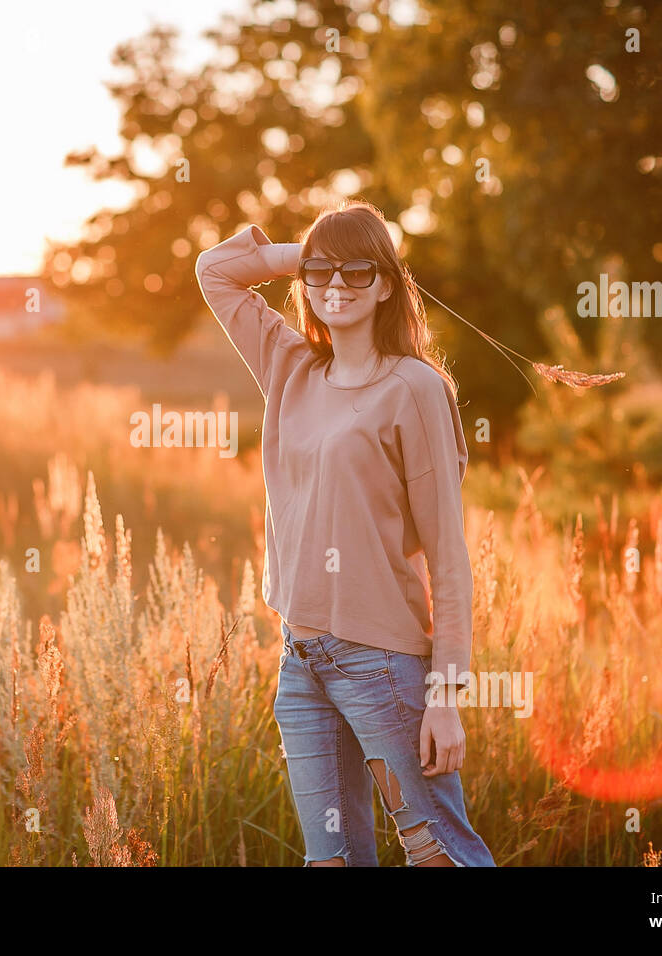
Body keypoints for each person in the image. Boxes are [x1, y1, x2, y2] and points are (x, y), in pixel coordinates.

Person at [194, 199, 496, 867]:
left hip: (381, 664)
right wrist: (304, 255)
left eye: (357, 272)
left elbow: (448, 556)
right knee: (331, 861)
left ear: (386, 283)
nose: (335, 286)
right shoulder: (291, 367)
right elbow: (215, 269)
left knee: (439, 854)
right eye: (320, 274)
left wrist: (444, 697)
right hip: (301, 663)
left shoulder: (415, 388)